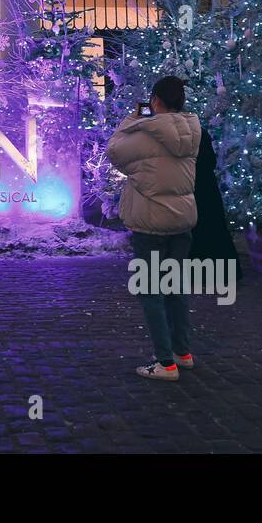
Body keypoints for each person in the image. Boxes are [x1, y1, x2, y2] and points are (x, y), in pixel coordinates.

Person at [106, 76, 201, 382]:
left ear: (156, 100)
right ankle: (182, 353)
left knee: (151, 292)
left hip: (151, 223)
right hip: (182, 220)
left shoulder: (144, 135)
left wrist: (135, 116)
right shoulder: (192, 129)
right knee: (175, 288)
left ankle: (164, 363)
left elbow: (115, 151)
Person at [189, 125, 240, 281]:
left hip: (192, 186)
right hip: (206, 187)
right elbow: (210, 160)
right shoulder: (198, 130)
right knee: (212, 228)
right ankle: (219, 272)